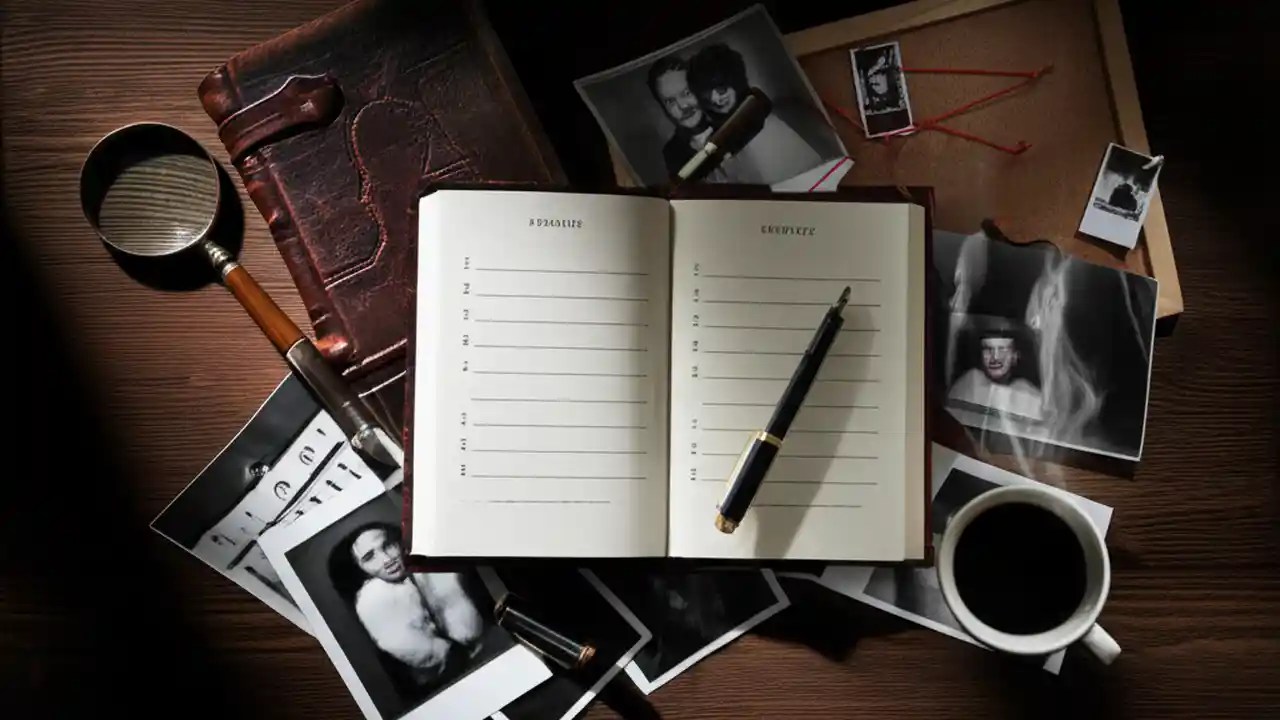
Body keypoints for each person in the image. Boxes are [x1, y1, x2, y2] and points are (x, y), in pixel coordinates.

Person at [330, 522, 487, 688]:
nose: (387, 559)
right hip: (442, 679)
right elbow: (405, 644)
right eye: (369, 557)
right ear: (361, 568)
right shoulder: (371, 602)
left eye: (388, 545)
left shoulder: (436, 565)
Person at [685, 43, 826, 185]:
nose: (715, 99)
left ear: (734, 79)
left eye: (721, 87)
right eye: (706, 93)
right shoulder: (715, 142)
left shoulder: (771, 121)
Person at [948, 329, 1043, 421]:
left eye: (1002, 349)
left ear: (1015, 355)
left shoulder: (1029, 396)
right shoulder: (969, 384)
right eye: (988, 349)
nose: (995, 357)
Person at [647, 55, 715, 182]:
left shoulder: (729, 119)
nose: (683, 106)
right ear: (663, 107)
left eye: (686, 93)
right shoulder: (672, 153)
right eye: (670, 101)